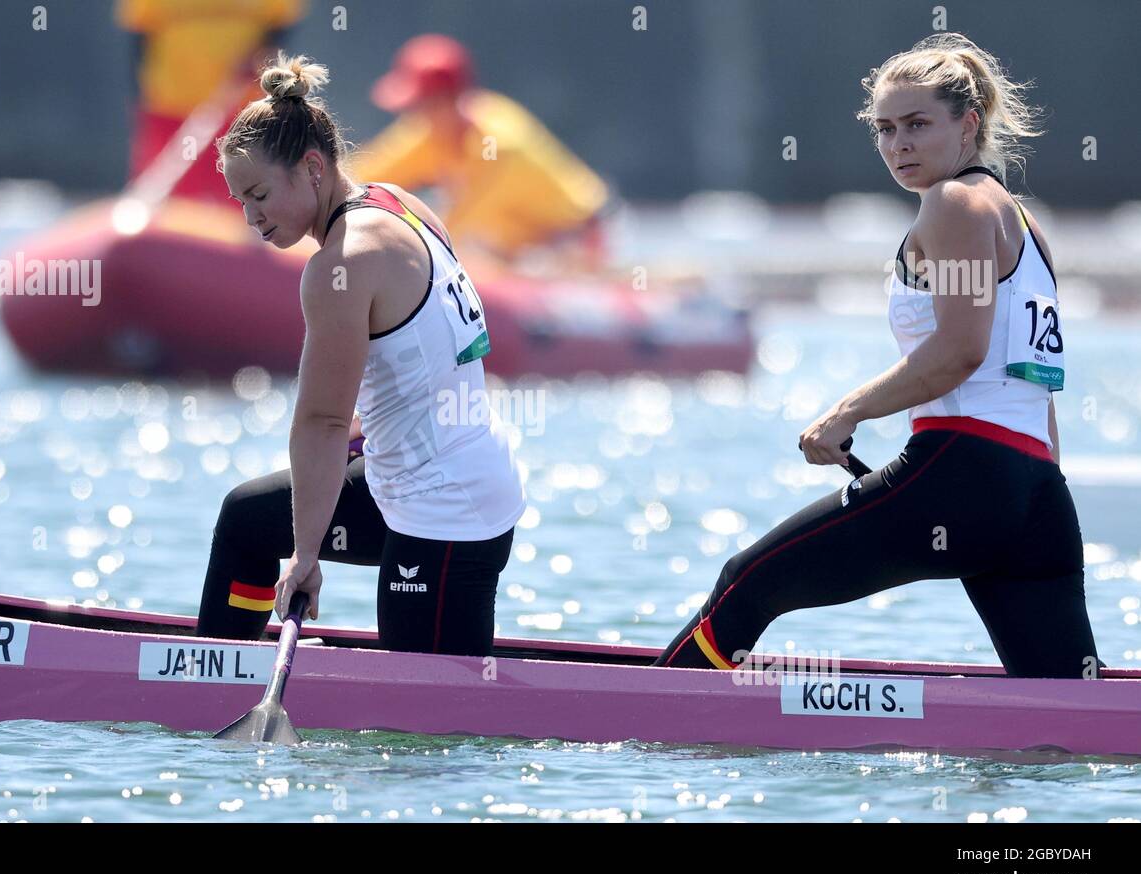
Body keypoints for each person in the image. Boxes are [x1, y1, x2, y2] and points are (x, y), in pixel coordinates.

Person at [657, 33, 1100, 679]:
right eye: (886, 129)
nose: (899, 145)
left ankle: (645, 729)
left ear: (968, 123)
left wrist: (844, 413)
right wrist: (1022, 497)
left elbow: (959, 352)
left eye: (918, 125)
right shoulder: (1026, 229)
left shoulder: (955, 205)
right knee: (1072, 709)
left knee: (745, 584)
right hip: (1037, 498)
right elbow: (1034, 384)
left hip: (961, 474)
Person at [195, 53, 526, 655]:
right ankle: (217, 674)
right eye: (242, 200)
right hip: (417, 478)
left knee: (423, 735)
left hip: (447, 512)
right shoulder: (400, 201)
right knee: (248, 519)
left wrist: (304, 556)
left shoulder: (340, 265)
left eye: (261, 194)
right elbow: (427, 355)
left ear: (312, 166)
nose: (251, 217)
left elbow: (320, 423)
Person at [350, 34, 609, 262]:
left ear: (452, 100)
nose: (416, 114)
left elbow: (448, 232)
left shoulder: (499, 145)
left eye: (424, 104)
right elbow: (361, 178)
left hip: (582, 240)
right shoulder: (429, 130)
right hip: (518, 252)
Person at [117, 0, 304, 204]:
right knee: (171, 200)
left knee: (239, 196)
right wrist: (139, 96)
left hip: (242, 111)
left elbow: (281, 24)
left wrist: (260, 56)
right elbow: (138, 34)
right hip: (168, 104)